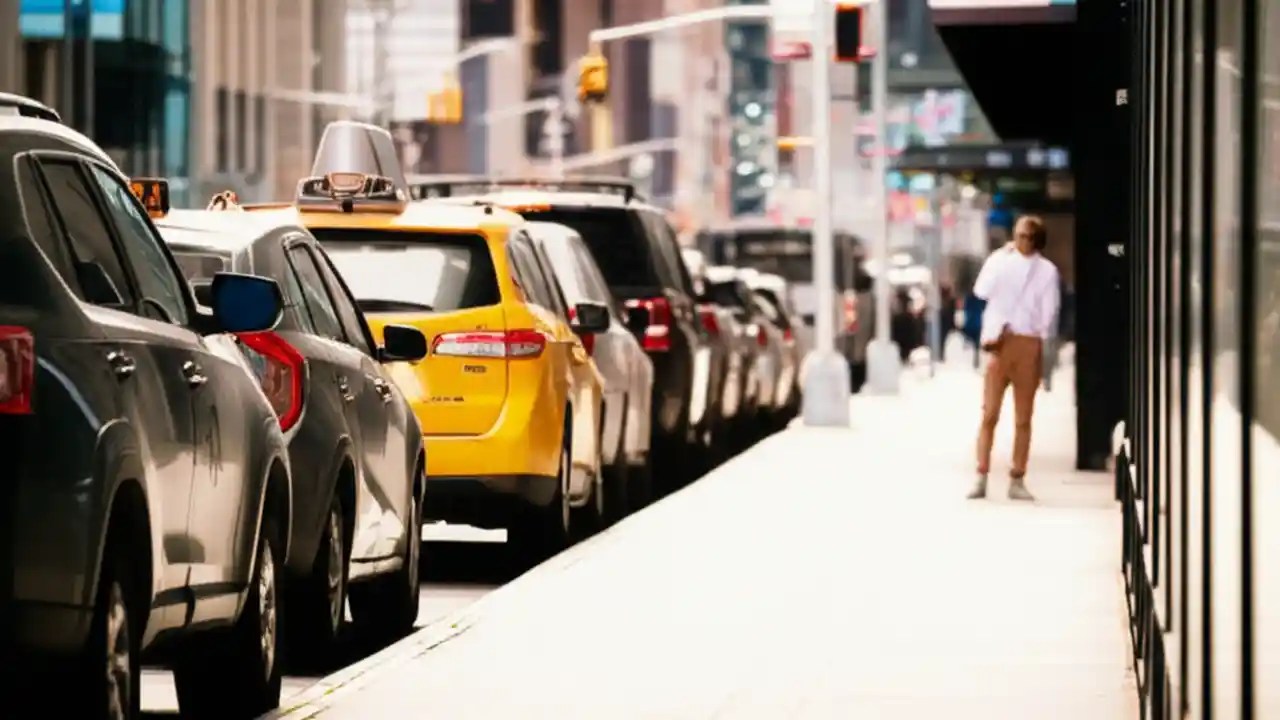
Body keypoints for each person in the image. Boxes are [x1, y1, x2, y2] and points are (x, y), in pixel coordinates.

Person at [967, 215, 1061, 501]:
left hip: (1028, 341)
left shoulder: (1046, 271)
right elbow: (981, 290)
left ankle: (1017, 477)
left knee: (1023, 417)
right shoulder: (1000, 260)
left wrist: (1041, 343)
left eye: (1029, 237)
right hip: (999, 341)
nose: (1023, 242)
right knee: (990, 413)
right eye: (1019, 235)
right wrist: (1000, 260)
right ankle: (981, 475)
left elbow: (1050, 311)